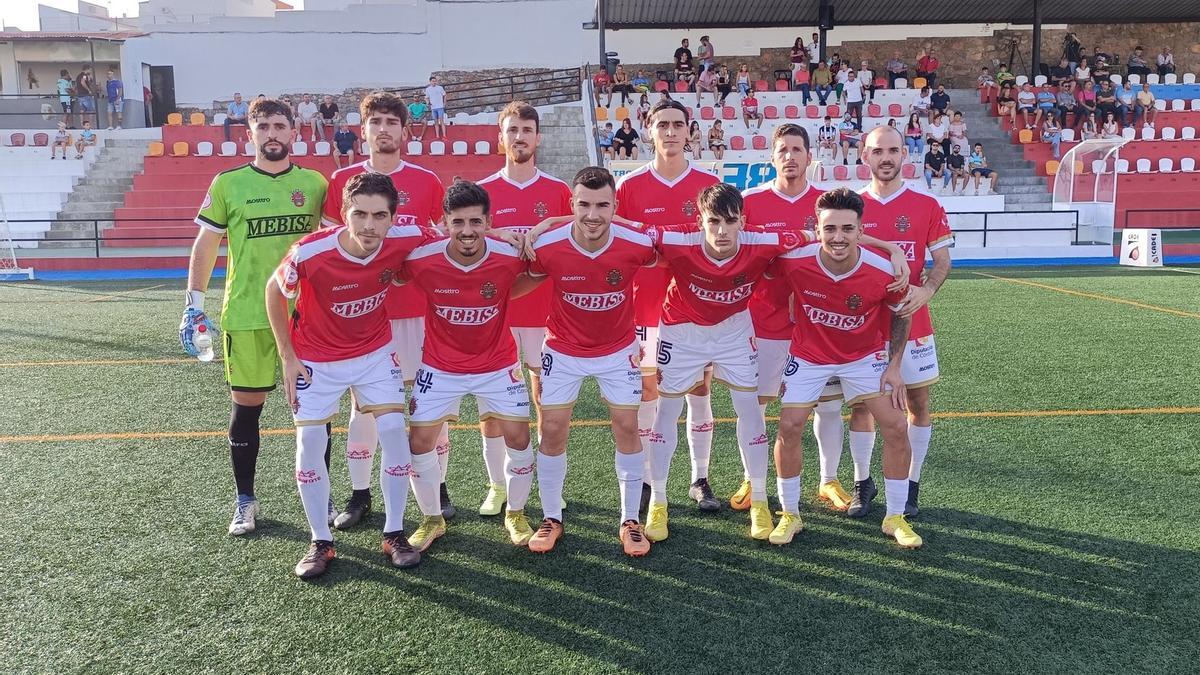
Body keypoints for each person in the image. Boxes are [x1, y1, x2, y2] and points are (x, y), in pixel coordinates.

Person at [266, 172, 441, 579]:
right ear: (343, 213)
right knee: (310, 442)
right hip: (316, 358)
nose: (368, 225)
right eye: (359, 214)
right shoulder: (310, 252)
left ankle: (394, 533)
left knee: (396, 433)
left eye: (379, 216)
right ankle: (320, 541)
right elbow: (274, 291)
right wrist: (287, 357)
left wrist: (525, 234)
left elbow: (459, 234)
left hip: (375, 354)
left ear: (393, 217)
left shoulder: (407, 236)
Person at [181, 98, 329, 536]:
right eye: (262, 126)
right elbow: (206, 245)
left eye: (279, 125)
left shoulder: (315, 183)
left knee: (315, 414)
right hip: (246, 314)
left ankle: (323, 492)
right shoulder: (228, 183)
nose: (271, 133)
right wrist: (193, 302)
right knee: (247, 410)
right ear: (250, 133)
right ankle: (245, 499)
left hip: (307, 317)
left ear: (294, 132)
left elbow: (340, 237)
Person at [642, 183, 808, 544]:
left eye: (730, 221)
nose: (721, 230)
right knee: (665, 412)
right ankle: (658, 501)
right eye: (713, 221)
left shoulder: (764, 242)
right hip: (682, 332)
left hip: (734, 331)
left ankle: (761, 501)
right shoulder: (674, 239)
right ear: (699, 219)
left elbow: (825, 236)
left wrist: (888, 248)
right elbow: (617, 230)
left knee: (750, 410)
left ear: (742, 221)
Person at [767, 186, 922, 548]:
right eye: (830, 228)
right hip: (809, 356)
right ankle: (790, 513)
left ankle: (895, 516)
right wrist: (893, 244)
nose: (838, 237)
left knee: (897, 426)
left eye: (847, 229)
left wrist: (894, 366)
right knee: (789, 426)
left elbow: (902, 314)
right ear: (816, 228)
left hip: (863, 358)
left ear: (860, 230)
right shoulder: (794, 259)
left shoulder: (883, 270)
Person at [321, 92, 449, 529]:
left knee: (429, 401)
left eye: (391, 122)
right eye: (375, 121)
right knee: (365, 408)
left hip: (418, 310)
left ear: (405, 131)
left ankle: (437, 488)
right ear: (363, 130)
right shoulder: (341, 182)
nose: (383, 129)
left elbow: (438, 247)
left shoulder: (429, 182)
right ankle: (360, 494)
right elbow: (332, 251)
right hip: (363, 314)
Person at [522, 167, 657, 556]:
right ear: (572, 204)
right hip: (563, 351)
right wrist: (547, 224)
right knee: (552, 429)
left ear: (616, 206)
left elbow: (666, 248)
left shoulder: (636, 242)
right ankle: (551, 517)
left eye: (603, 205)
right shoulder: (547, 244)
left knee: (627, 427)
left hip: (618, 352)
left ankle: (630, 519)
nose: (593, 214)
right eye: (584, 205)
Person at [401, 180, 541, 546]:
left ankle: (515, 512)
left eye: (476, 222)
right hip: (439, 366)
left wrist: (503, 294)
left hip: (497, 365)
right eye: (458, 222)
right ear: (445, 221)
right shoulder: (422, 257)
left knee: (520, 437)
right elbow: (395, 268)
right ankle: (432, 519)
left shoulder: (508, 254)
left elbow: (537, 266)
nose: (467, 231)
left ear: (488, 222)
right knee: (419, 442)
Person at [615, 99, 721, 513]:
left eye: (679, 124)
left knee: (699, 390)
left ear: (690, 130)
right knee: (648, 394)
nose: (671, 132)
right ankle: (645, 479)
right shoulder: (629, 187)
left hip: (697, 309)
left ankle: (700, 477)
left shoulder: (709, 185)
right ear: (649, 130)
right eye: (663, 125)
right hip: (646, 308)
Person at [845, 125, 952, 520]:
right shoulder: (850, 205)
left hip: (914, 323)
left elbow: (942, 261)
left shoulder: (926, 205)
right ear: (864, 156)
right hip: (861, 327)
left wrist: (926, 292)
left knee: (918, 403)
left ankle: (911, 483)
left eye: (893, 150)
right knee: (860, 407)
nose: (885, 157)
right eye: (877, 151)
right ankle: (862, 482)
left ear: (904, 155)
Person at [477, 102, 573, 517]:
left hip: (545, 309)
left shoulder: (557, 191)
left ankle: (548, 484)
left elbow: (578, 227)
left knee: (545, 400)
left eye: (527, 129)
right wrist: (495, 231)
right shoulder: (482, 192)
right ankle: (498, 485)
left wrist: (545, 226)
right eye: (511, 129)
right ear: (501, 136)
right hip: (494, 310)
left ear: (538, 138)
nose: (519, 136)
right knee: (492, 405)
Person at [425, 75, 449, 139]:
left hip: (440, 106)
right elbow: (426, 97)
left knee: (441, 121)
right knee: (435, 122)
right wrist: (428, 102)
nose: (434, 82)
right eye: (433, 81)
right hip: (433, 108)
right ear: (430, 82)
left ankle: (444, 136)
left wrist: (444, 103)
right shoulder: (428, 89)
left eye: (435, 81)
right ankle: (437, 136)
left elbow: (445, 95)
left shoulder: (440, 88)